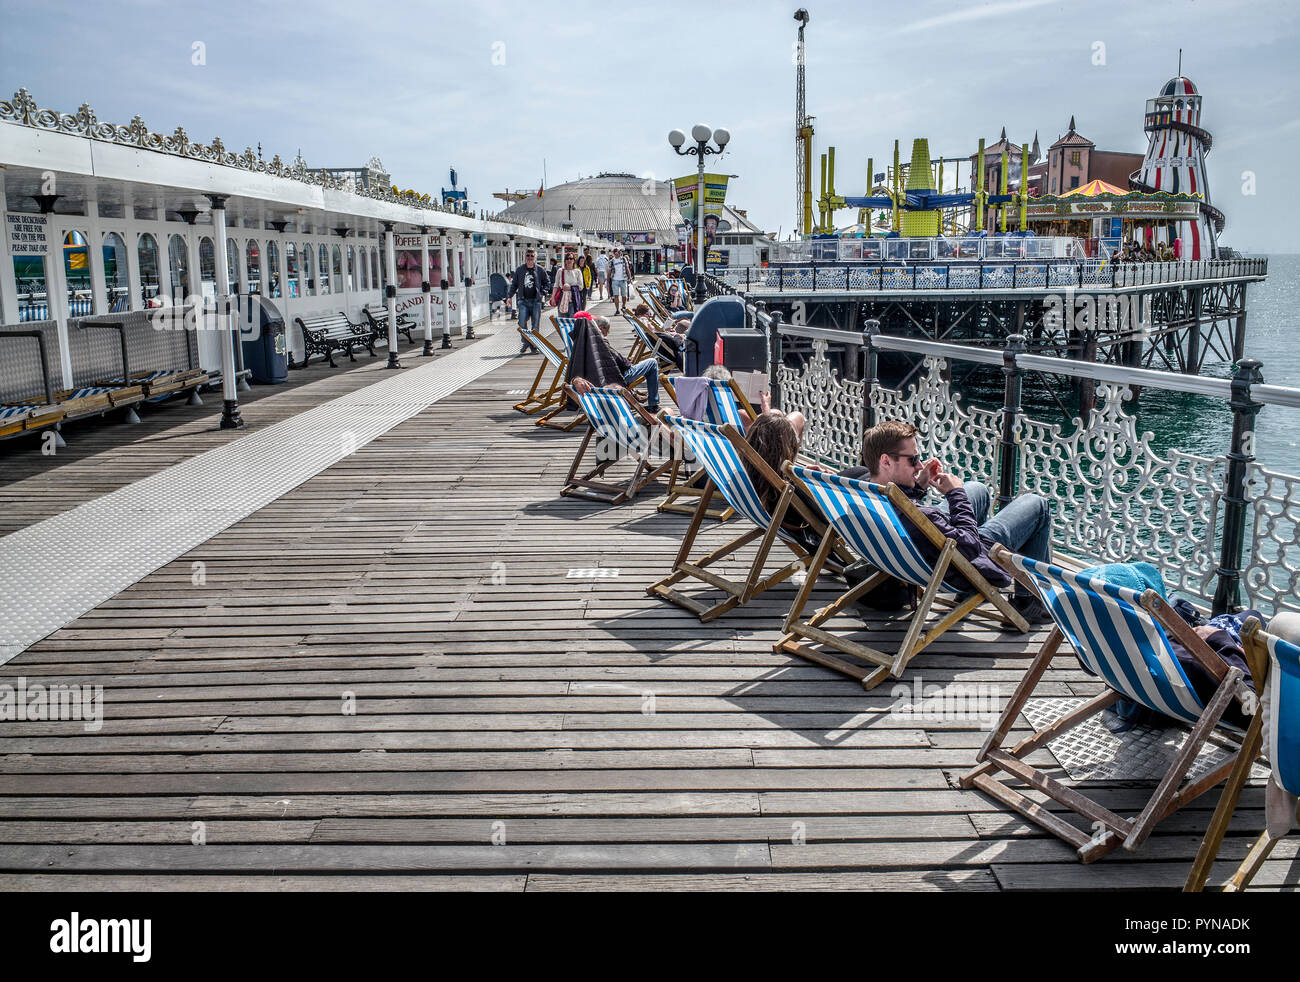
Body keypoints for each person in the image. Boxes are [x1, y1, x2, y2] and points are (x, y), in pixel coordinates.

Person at [840, 420, 1053, 623]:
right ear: (886, 461)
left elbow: (906, 510)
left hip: (918, 551)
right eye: (912, 459)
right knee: (1037, 504)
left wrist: (919, 486)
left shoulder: (864, 491)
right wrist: (955, 494)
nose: (919, 465)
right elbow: (970, 546)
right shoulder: (922, 516)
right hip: (954, 563)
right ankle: (1030, 602)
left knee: (977, 490)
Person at [569, 314, 661, 413]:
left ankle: (635, 394)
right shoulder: (599, 341)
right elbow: (624, 364)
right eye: (606, 331)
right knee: (652, 362)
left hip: (594, 380)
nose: (607, 334)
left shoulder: (580, 344)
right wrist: (627, 361)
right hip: (614, 379)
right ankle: (653, 404)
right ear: (600, 328)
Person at [506, 247, 550, 354]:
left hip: (536, 301)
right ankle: (526, 341)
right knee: (521, 322)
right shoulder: (520, 270)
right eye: (528, 255)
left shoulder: (540, 269)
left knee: (535, 325)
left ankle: (534, 345)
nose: (530, 258)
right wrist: (509, 297)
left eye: (532, 256)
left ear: (535, 257)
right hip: (523, 300)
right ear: (525, 257)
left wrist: (542, 293)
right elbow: (514, 284)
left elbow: (547, 283)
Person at [610, 248, 632, 314]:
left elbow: (627, 268)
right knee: (616, 295)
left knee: (624, 295)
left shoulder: (623, 259)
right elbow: (609, 271)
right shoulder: (612, 261)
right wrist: (608, 280)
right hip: (615, 280)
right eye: (615, 253)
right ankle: (617, 310)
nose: (617, 254)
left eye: (618, 253)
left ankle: (623, 306)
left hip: (623, 279)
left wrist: (630, 278)